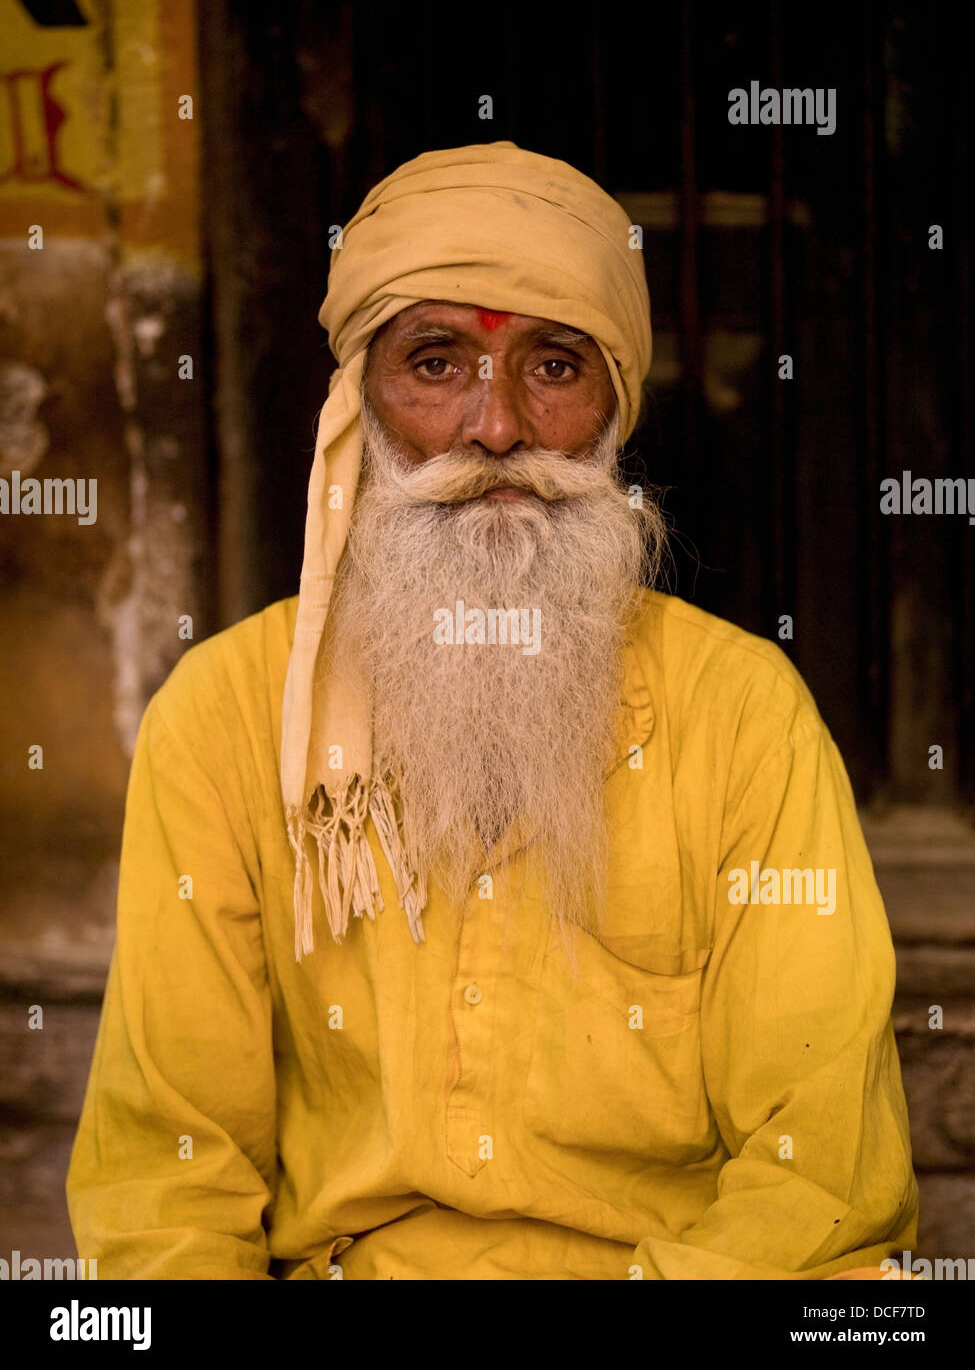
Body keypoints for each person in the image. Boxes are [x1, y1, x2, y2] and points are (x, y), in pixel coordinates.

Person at [66, 141, 918, 1280]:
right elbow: (167, 1181)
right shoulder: (221, 717)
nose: (498, 428)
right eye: (436, 362)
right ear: (358, 406)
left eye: (554, 367)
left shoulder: (745, 716)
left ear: (615, 404)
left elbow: (820, 1175)